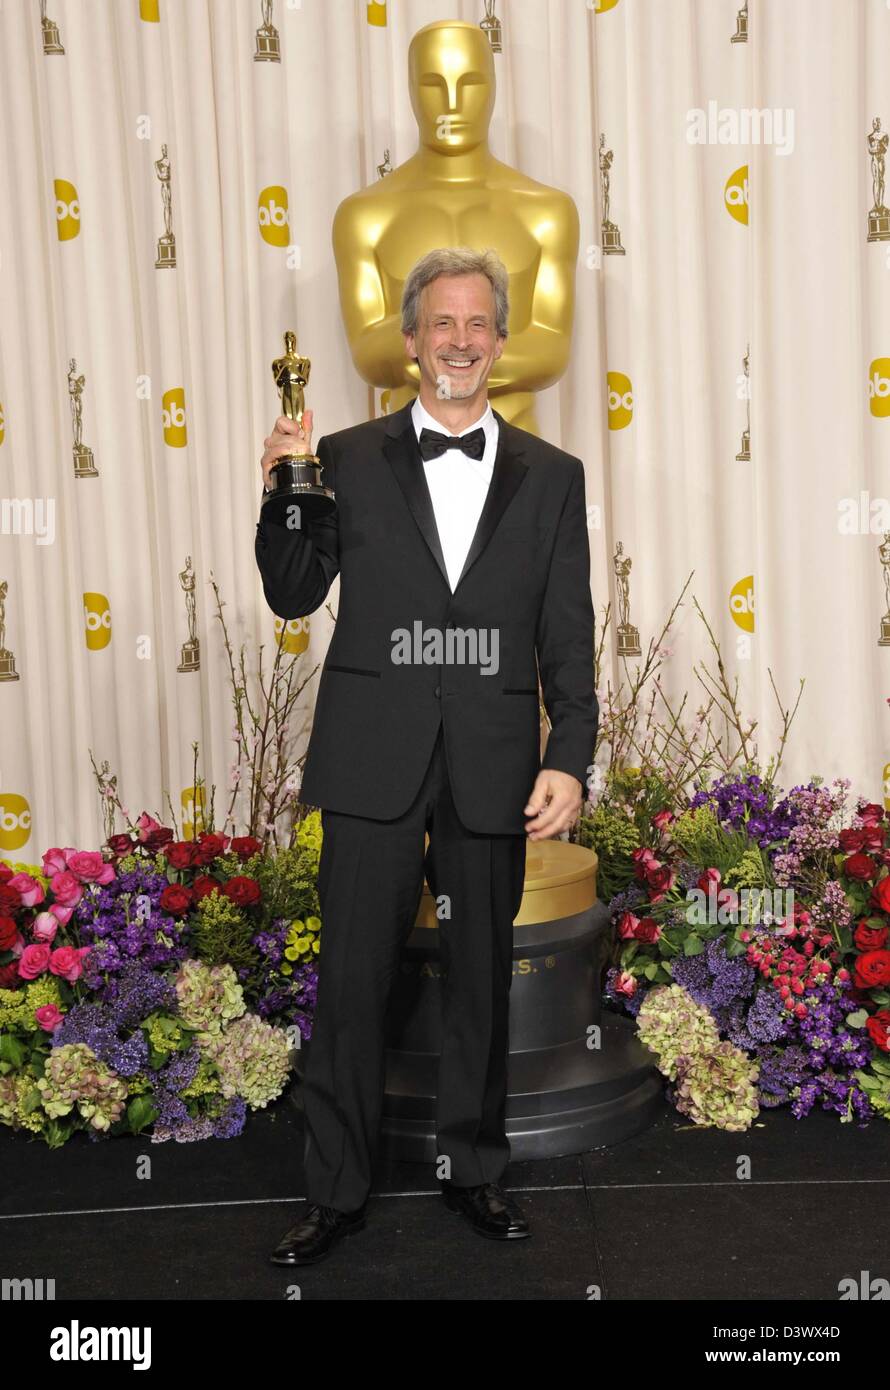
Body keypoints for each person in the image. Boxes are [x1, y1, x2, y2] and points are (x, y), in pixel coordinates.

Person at [255, 246, 598, 1265]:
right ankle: (336, 1192)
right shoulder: (346, 459)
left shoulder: (554, 476)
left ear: (499, 340)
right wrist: (284, 484)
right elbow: (289, 591)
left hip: (495, 759)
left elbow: (568, 632)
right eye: (439, 324)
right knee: (352, 983)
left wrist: (567, 755)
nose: (458, 341)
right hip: (371, 756)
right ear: (408, 342)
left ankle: (475, 1173)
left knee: (479, 981)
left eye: (476, 324)